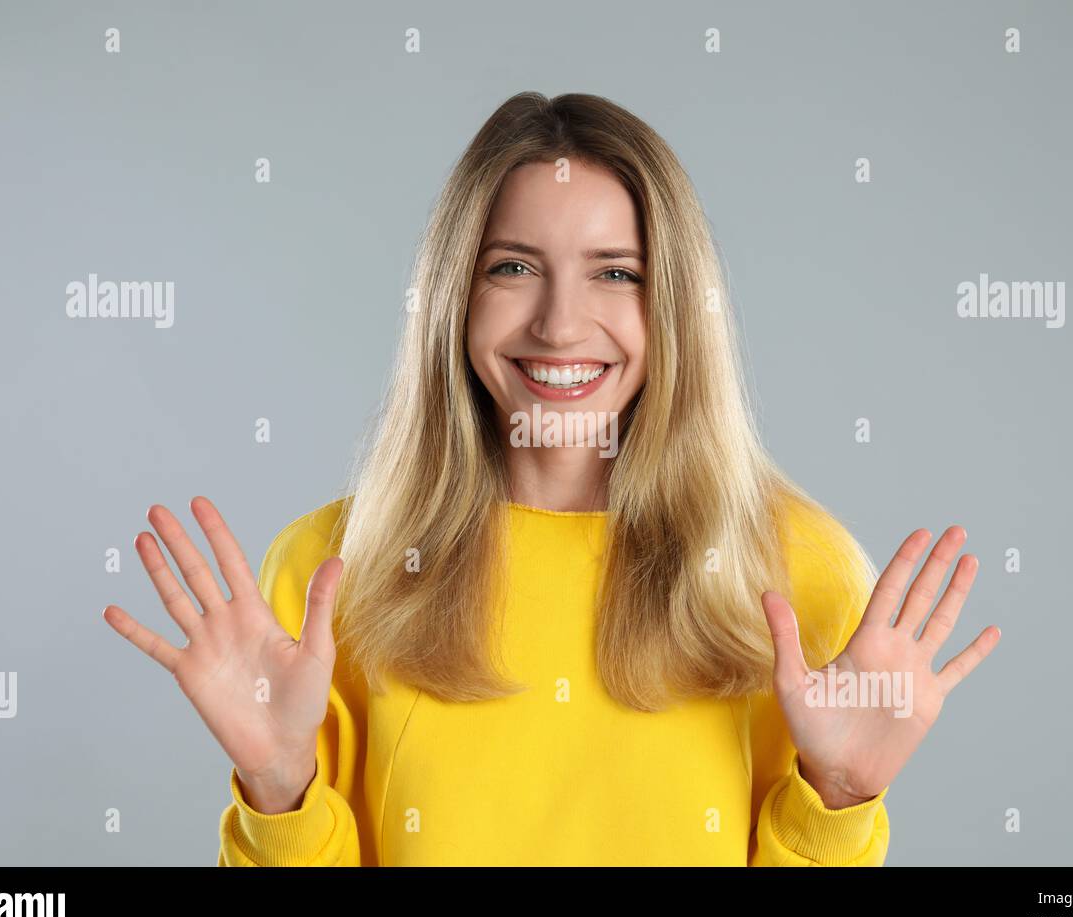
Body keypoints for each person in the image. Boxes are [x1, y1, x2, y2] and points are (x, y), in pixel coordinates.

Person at [103, 91, 1000, 866]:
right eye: (514, 268)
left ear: (675, 307)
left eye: (617, 273)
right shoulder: (333, 571)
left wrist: (835, 801)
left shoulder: (794, 568)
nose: (561, 324)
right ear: (455, 294)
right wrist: (276, 786)